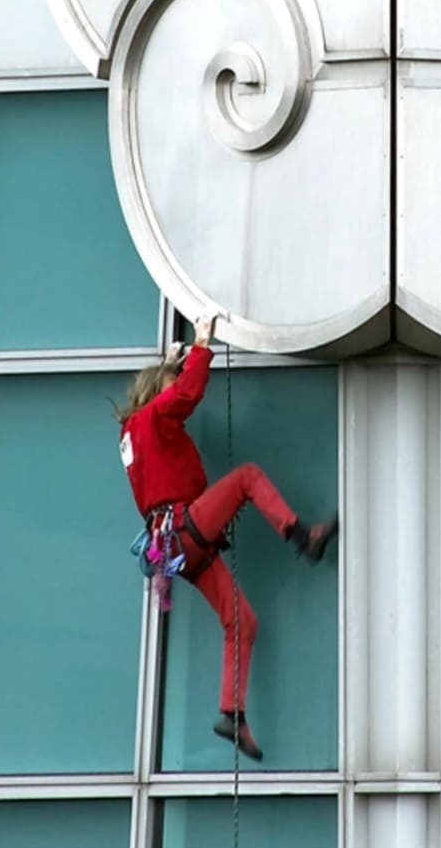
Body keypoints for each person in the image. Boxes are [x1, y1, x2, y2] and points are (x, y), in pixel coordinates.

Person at [117, 314, 338, 761]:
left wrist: (170, 362)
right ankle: (302, 537)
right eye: (164, 388)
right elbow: (184, 394)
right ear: (152, 396)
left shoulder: (133, 437)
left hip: (175, 547)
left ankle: (231, 714)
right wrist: (200, 344)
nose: (171, 395)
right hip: (181, 528)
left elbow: (168, 401)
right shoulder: (149, 421)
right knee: (246, 478)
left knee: (242, 622)